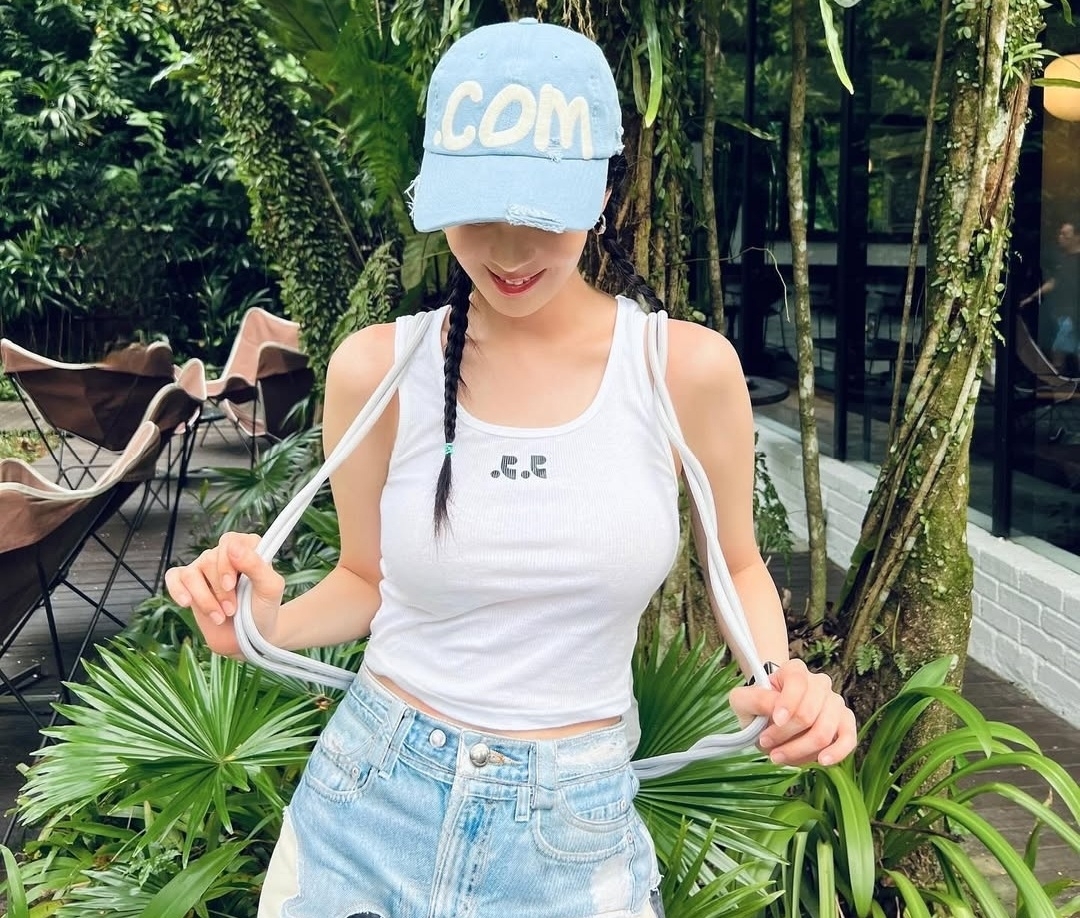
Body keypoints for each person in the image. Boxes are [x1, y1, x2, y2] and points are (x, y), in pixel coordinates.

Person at [165, 19, 857, 918]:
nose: (508, 251)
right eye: (478, 209)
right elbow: (366, 580)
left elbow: (738, 565)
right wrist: (264, 623)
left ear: (602, 191)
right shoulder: (379, 370)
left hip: (573, 835)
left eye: (540, 213)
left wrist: (781, 682)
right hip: (366, 806)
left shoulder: (683, 371)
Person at [1019, 220, 1080, 374]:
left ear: (1077, 237)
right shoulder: (1064, 260)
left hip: (1074, 316)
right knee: (1060, 351)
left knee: (1059, 350)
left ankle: (1058, 382)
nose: (1060, 238)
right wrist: (1032, 297)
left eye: (1065, 235)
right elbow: (1054, 282)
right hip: (1064, 314)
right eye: (1060, 234)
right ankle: (1060, 383)